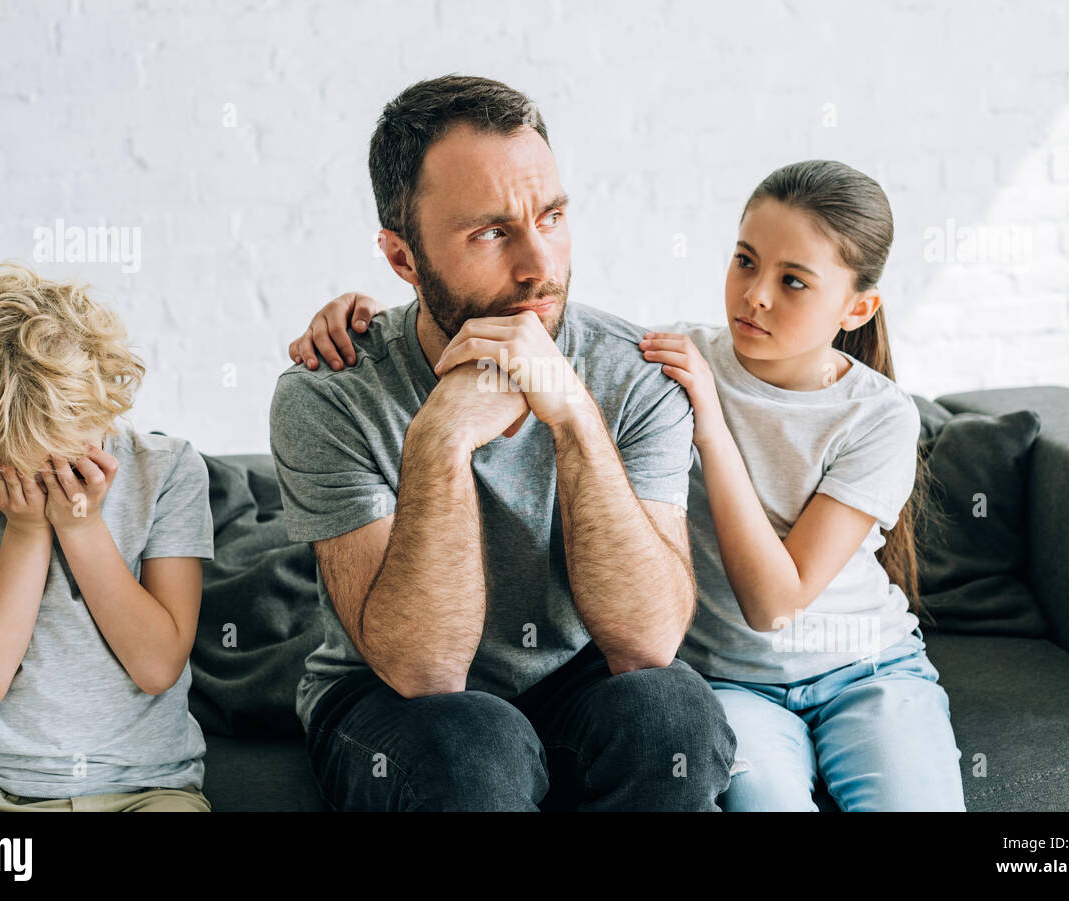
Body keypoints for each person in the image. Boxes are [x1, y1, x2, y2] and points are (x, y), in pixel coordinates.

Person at [293, 159, 967, 812]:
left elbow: (771, 604)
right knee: (763, 798)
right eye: (744, 260)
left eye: (794, 281)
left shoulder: (860, 412)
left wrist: (691, 423)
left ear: (858, 307)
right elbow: (454, 319)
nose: (756, 295)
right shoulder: (674, 354)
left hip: (859, 664)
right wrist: (366, 316)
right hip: (735, 679)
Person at [270, 74, 734, 811]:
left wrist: (578, 418)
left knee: (673, 717)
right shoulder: (329, 393)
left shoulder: (635, 374)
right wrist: (438, 441)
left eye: (550, 217)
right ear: (402, 259)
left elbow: (647, 643)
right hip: (391, 697)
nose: (538, 266)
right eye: (490, 232)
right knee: (474, 748)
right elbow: (422, 670)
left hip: (577, 678)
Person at [0, 262, 214, 812]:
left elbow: (157, 667)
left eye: (62, 455)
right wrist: (26, 531)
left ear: (106, 399)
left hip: (149, 788)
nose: (43, 477)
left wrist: (79, 524)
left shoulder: (169, 471)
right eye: (17, 464)